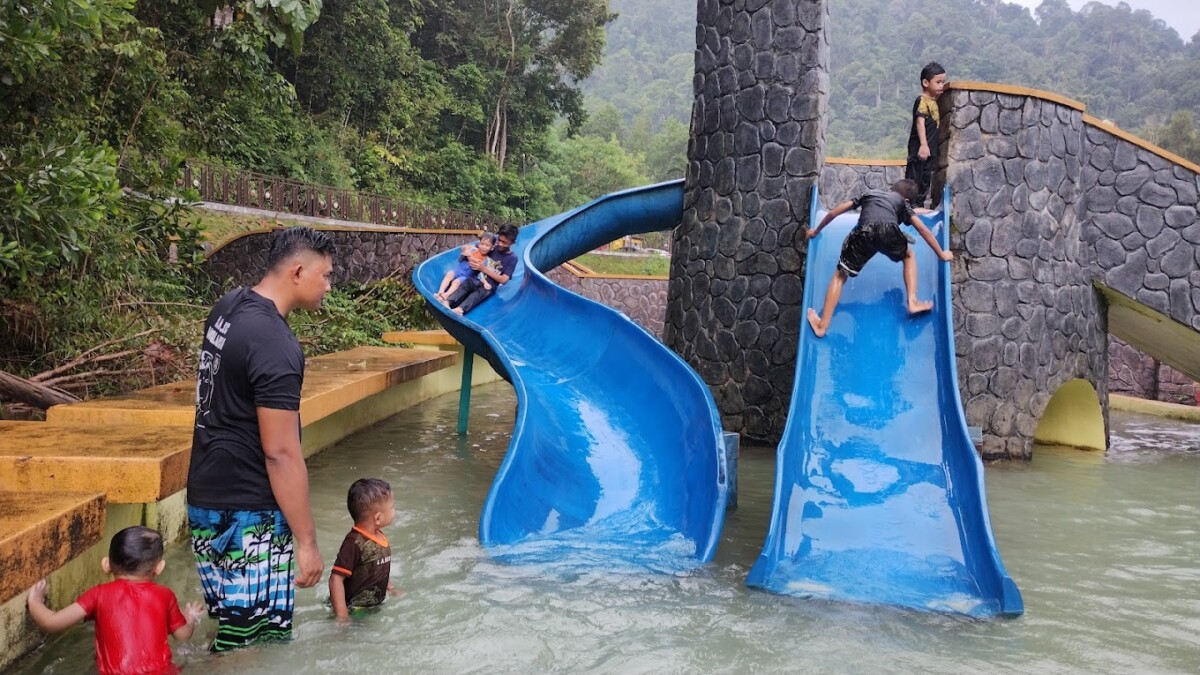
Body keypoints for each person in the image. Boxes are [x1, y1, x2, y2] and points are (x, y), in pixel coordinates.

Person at [188, 226, 333, 651]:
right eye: (325, 275)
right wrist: (307, 542)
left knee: (231, 632)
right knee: (248, 649)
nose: (329, 286)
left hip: (206, 499)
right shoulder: (275, 344)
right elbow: (280, 453)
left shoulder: (229, 305)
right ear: (297, 272)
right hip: (250, 515)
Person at [26, 526, 205, 675]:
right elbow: (183, 635)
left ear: (106, 565)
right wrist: (190, 617)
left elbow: (51, 622)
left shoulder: (98, 594)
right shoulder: (165, 595)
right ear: (159, 568)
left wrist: (35, 602)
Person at [804, 178, 954, 338]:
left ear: (891, 189)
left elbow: (835, 212)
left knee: (840, 276)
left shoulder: (870, 194)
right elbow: (922, 229)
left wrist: (815, 230)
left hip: (864, 232)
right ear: (907, 200)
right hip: (889, 232)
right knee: (909, 255)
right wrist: (941, 254)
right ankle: (913, 301)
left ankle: (822, 326)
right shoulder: (902, 204)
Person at [329, 478, 399, 622]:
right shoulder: (354, 543)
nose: (394, 510)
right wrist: (342, 616)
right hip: (355, 609)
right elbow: (335, 579)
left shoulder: (378, 535)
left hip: (373, 605)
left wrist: (391, 588)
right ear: (378, 518)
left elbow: (378, 568)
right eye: (392, 507)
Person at [445, 222, 520, 316]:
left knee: (479, 293)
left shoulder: (512, 258)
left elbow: (504, 280)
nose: (500, 244)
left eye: (504, 242)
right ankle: (448, 301)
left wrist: (484, 269)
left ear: (512, 243)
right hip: (476, 278)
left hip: (489, 285)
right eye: (499, 240)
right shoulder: (492, 246)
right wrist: (466, 250)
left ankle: (460, 309)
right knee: (466, 284)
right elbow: (472, 247)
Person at [904, 62, 947, 207]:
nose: (941, 85)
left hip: (930, 149)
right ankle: (911, 205)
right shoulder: (922, 100)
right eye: (938, 82)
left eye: (943, 82)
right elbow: (920, 122)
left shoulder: (933, 101)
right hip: (920, 148)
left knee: (925, 178)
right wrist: (923, 144)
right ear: (926, 83)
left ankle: (919, 204)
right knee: (914, 177)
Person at [436, 232, 496, 303]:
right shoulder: (473, 250)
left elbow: (481, 273)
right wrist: (464, 253)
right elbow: (460, 259)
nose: (484, 247)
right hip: (458, 270)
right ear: (479, 243)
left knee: (456, 282)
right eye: (482, 244)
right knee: (449, 274)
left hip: (467, 275)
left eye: (487, 245)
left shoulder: (486, 260)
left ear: (492, 248)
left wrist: (485, 282)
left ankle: (446, 295)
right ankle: (440, 292)